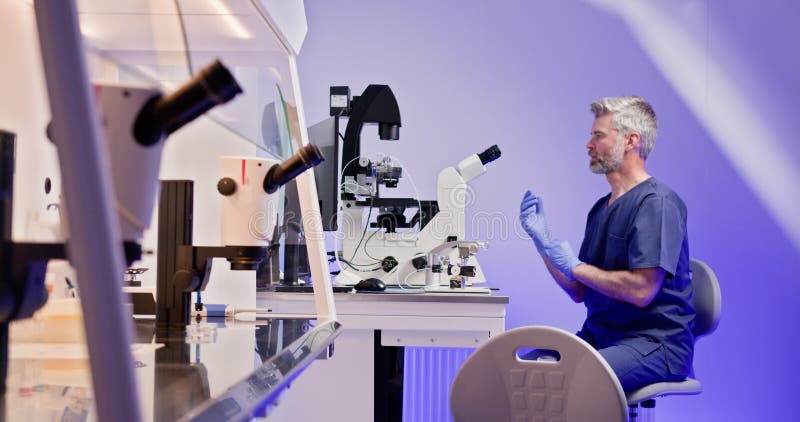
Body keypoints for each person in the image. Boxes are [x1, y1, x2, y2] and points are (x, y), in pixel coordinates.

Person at [519, 95, 695, 393]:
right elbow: (579, 290)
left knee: (570, 382)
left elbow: (641, 291)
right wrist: (544, 244)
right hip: (601, 338)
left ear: (630, 141)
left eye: (598, 136)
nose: (588, 145)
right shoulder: (602, 208)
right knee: (523, 375)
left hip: (654, 343)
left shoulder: (657, 203)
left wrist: (575, 266)